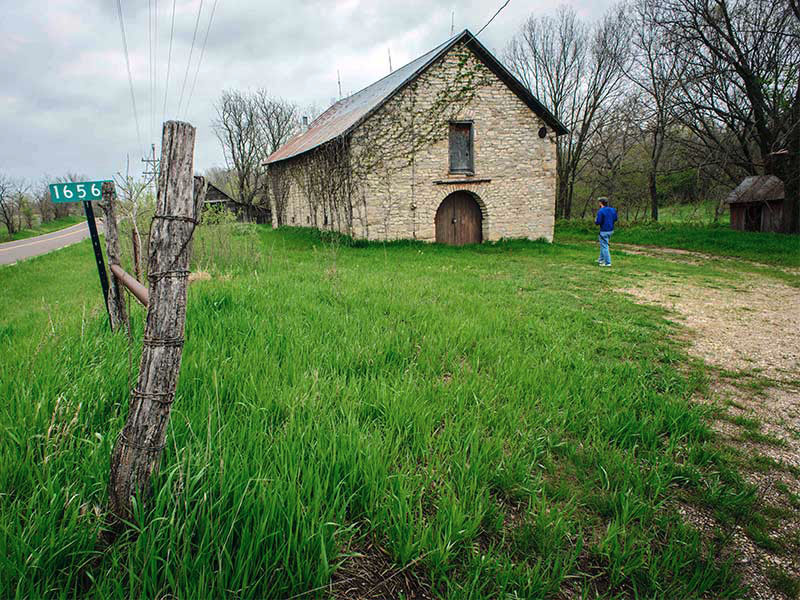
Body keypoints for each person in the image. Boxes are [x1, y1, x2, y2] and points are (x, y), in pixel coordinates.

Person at [594, 197, 617, 267]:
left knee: (605, 247)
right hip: (611, 230)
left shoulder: (601, 211)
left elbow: (598, 222)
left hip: (604, 231)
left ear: (601, 203)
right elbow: (615, 219)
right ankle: (600, 259)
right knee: (603, 245)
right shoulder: (612, 209)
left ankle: (607, 263)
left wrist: (596, 221)